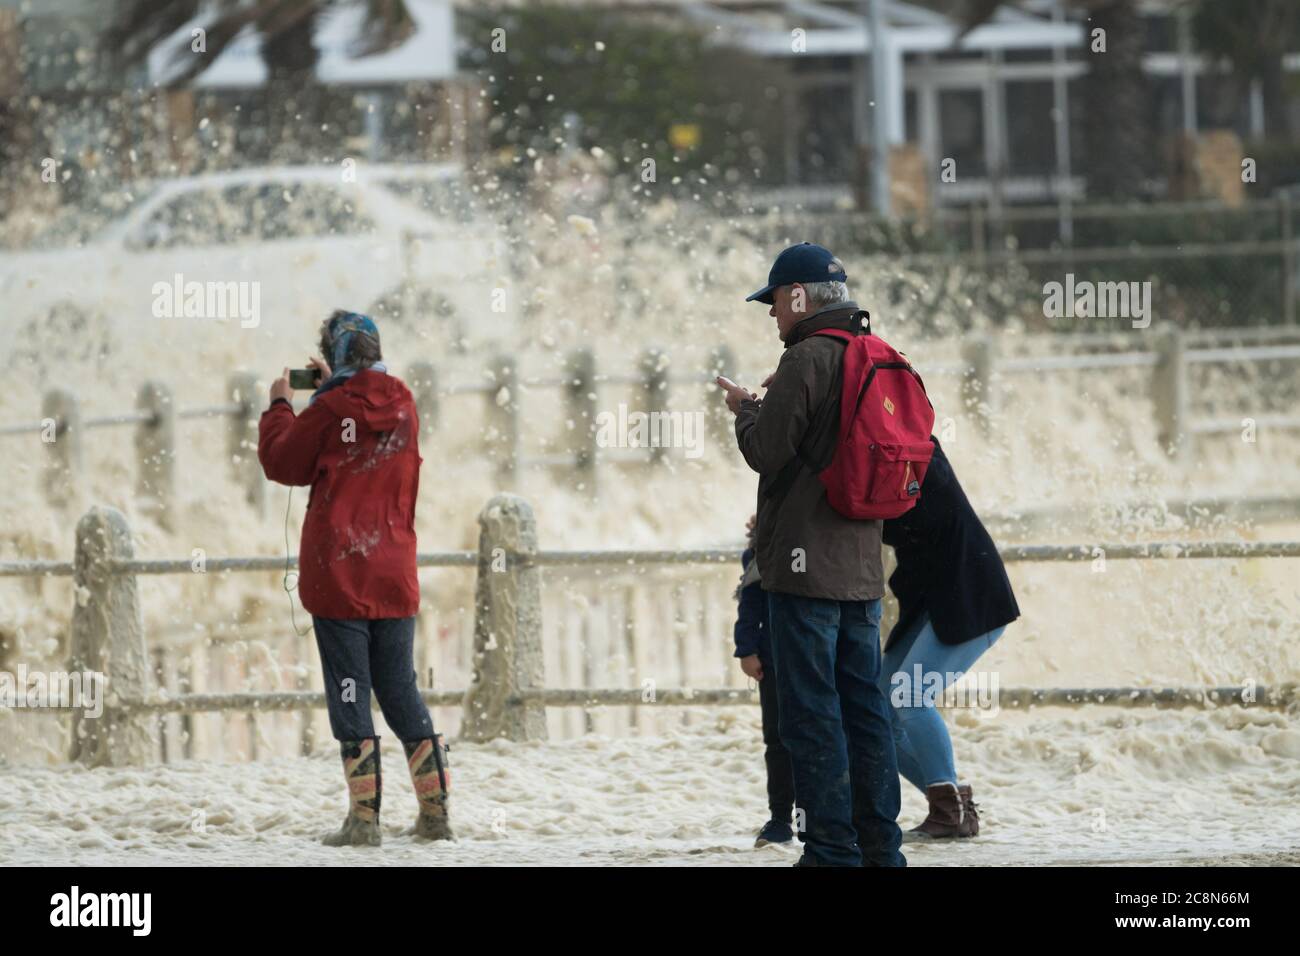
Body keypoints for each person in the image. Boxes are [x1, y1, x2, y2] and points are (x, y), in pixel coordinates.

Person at [717, 242, 905, 867]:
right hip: (861, 570)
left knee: (811, 715)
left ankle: (829, 850)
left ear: (798, 297)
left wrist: (745, 410)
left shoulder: (804, 359)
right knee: (865, 711)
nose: (771, 316)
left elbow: (769, 453)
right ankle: (881, 848)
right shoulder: (871, 353)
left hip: (804, 572)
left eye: (773, 303)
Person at [257, 310, 452, 847]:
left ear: (337, 355)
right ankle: (436, 814)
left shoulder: (330, 409)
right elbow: (365, 425)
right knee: (399, 690)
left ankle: (363, 821)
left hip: (340, 574)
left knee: (350, 693)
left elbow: (282, 462)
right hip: (393, 571)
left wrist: (281, 405)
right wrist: (334, 393)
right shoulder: (406, 402)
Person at [878, 434, 1019, 839]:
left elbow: (901, 516)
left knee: (909, 696)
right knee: (879, 707)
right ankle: (955, 808)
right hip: (933, 602)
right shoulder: (902, 455)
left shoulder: (919, 455)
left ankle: (948, 811)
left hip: (972, 597)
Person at [732, 514, 795, 847]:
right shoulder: (762, 548)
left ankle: (822, 818)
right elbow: (750, 602)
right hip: (773, 661)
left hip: (818, 657)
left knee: (825, 736)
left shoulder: (825, 542)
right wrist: (746, 649)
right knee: (778, 739)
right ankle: (781, 819)